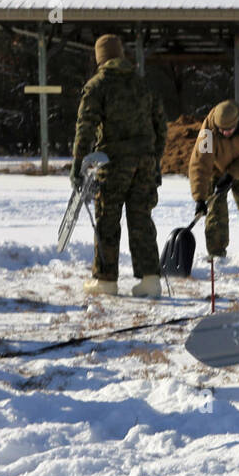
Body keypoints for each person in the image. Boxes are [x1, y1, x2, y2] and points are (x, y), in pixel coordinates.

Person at [71, 34, 167, 297]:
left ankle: (106, 281)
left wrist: (78, 164)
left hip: (113, 162)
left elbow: (85, 127)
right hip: (145, 161)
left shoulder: (97, 86)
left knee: (107, 217)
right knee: (141, 217)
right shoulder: (142, 84)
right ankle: (150, 280)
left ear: (99, 58)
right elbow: (161, 126)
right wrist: (153, 158)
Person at [187, 99, 239, 258]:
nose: (225, 133)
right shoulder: (208, 130)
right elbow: (200, 163)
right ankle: (216, 255)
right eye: (222, 130)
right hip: (216, 170)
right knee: (215, 211)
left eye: (229, 129)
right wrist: (199, 198)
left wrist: (232, 175)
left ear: (237, 123)